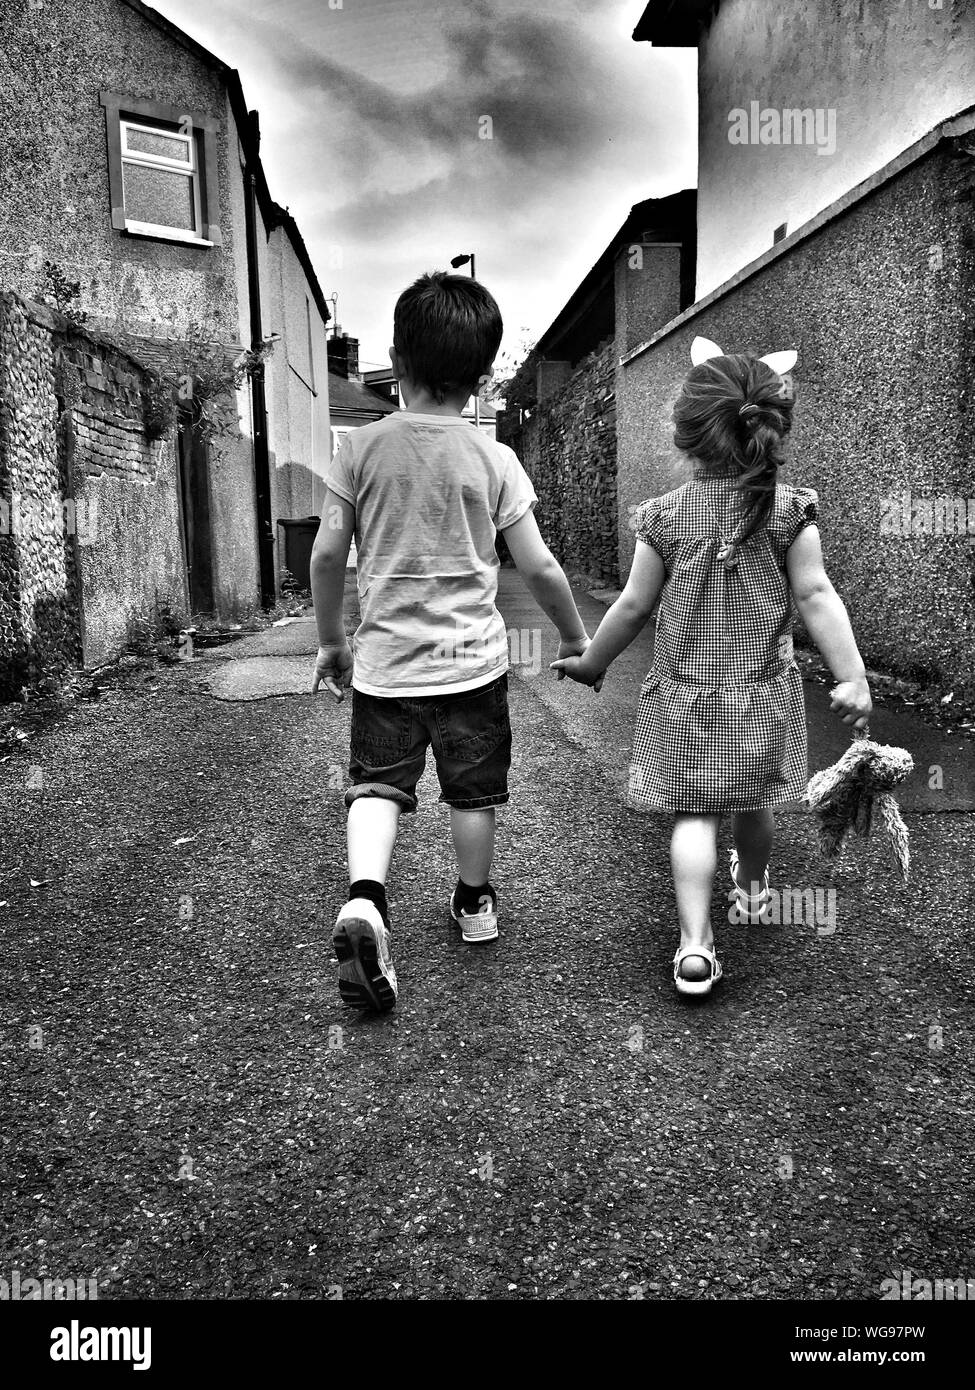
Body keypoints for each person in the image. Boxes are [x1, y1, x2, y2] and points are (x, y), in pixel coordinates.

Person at [552, 339, 872, 998]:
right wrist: (851, 675)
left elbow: (634, 605)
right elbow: (815, 595)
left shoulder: (664, 518)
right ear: (768, 427)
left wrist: (591, 662)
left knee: (693, 815)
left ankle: (694, 945)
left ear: (687, 435)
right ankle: (752, 893)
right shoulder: (789, 511)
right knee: (753, 803)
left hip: (684, 698)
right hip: (761, 691)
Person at [310, 271, 590, 1012]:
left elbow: (327, 556)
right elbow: (537, 563)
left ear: (396, 362)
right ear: (484, 377)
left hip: (384, 668)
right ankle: (474, 903)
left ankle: (366, 899)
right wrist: (575, 638)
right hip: (470, 669)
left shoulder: (360, 450)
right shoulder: (494, 460)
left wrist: (334, 642)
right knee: (472, 793)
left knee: (376, 787)